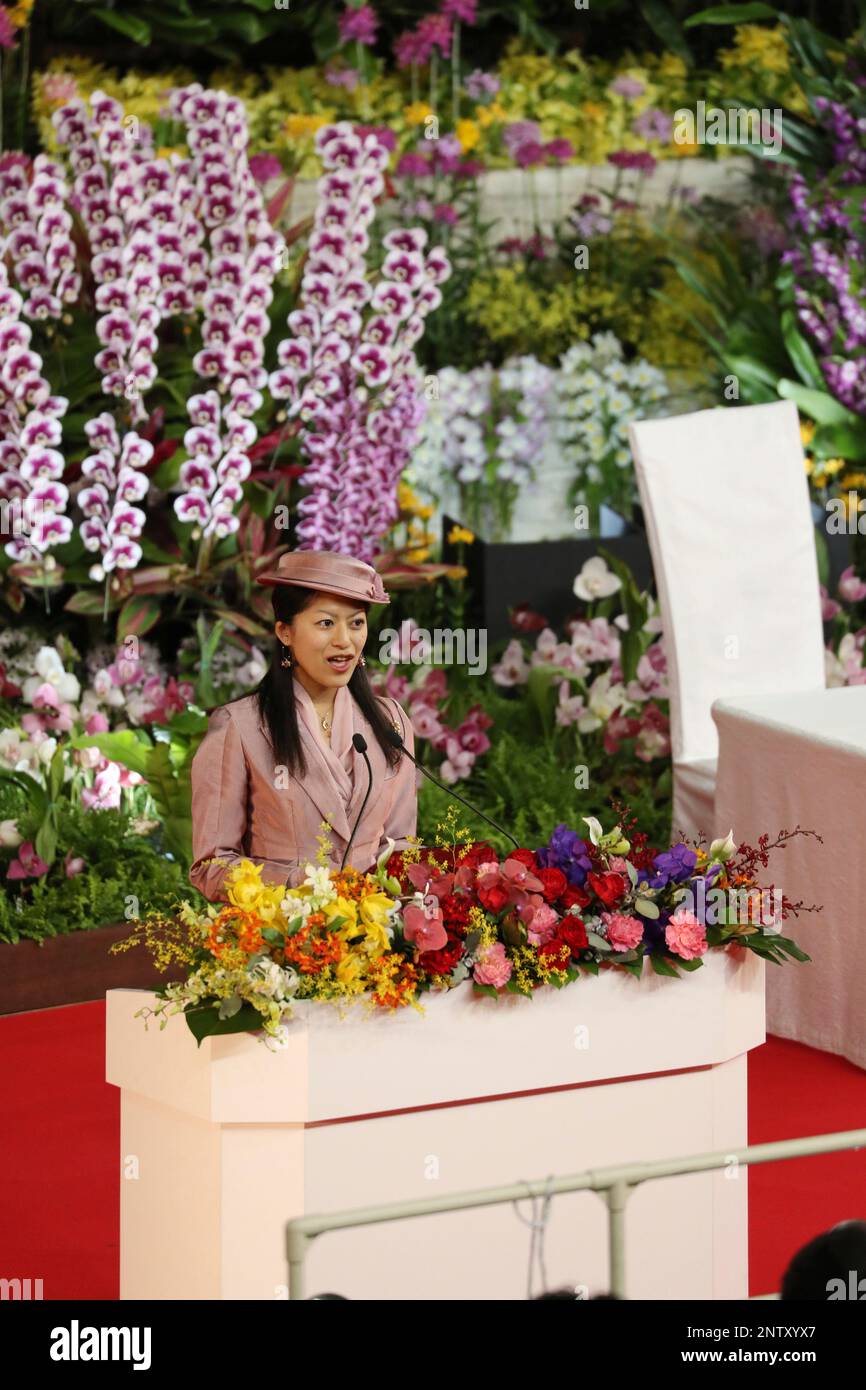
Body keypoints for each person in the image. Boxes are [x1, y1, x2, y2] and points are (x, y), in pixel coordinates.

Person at [188, 550, 417, 901]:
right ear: (285, 632)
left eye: (356, 623)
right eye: (326, 623)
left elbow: (401, 847)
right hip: (286, 945)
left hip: (377, 942)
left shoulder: (391, 722)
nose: (345, 640)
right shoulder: (240, 727)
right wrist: (303, 890)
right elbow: (212, 865)